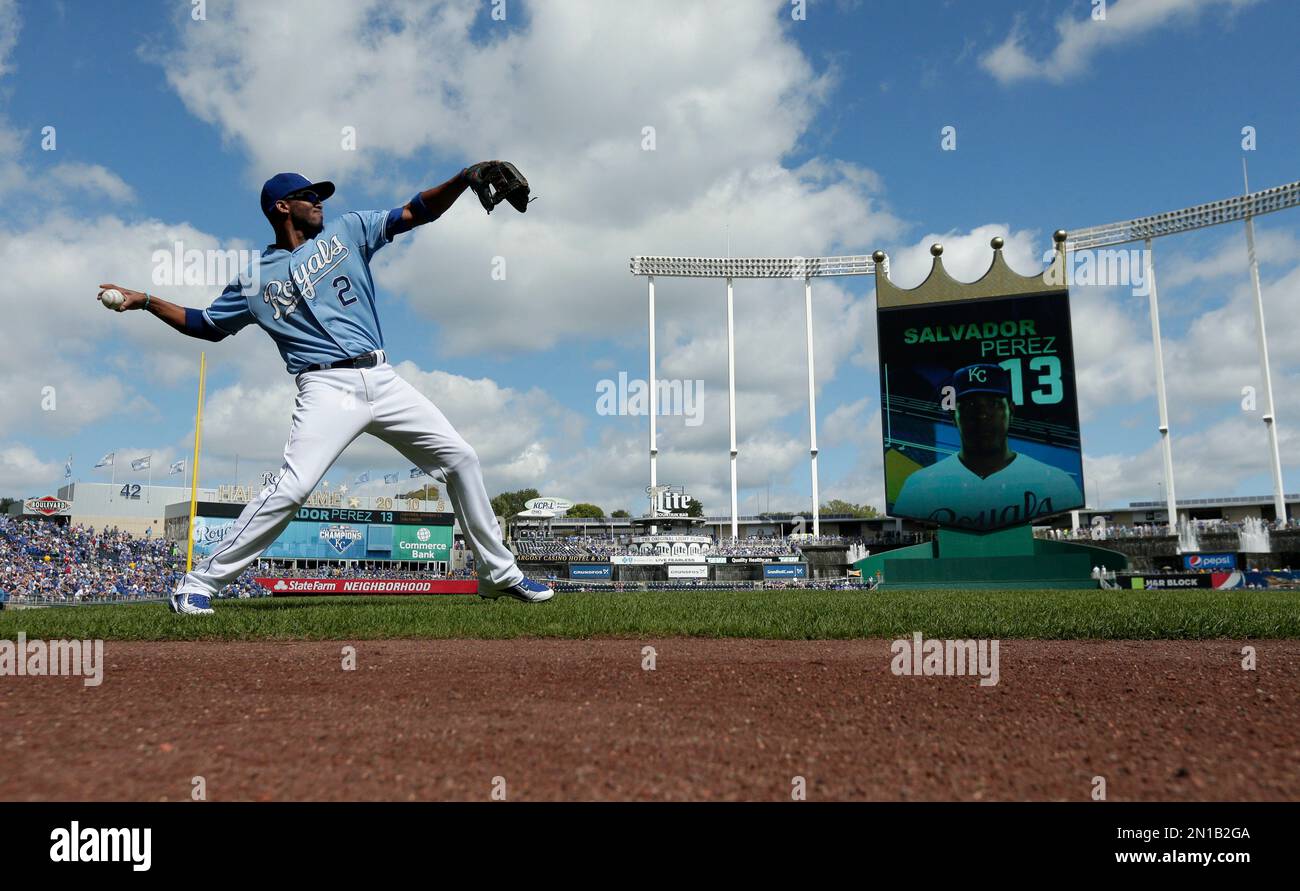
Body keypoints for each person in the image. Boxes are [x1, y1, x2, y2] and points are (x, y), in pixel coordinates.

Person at [97, 166, 553, 614]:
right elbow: (207, 325)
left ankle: (497, 576)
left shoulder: (348, 231)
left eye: (320, 196)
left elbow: (415, 212)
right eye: (309, 196)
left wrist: (463, 178)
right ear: (282, 207)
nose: (320, 202)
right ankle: (198, 584)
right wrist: (149, 301)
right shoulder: (254, 279)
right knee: (292, 489)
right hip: (324, 387)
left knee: (461, 458)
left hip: (381, 376)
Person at [892, 363, 1083, 531]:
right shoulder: (917, 486)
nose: (982, 415)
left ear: (1011, 410)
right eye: (970, 405)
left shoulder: (1058, 484)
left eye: (993, 404)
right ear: (954, 417)